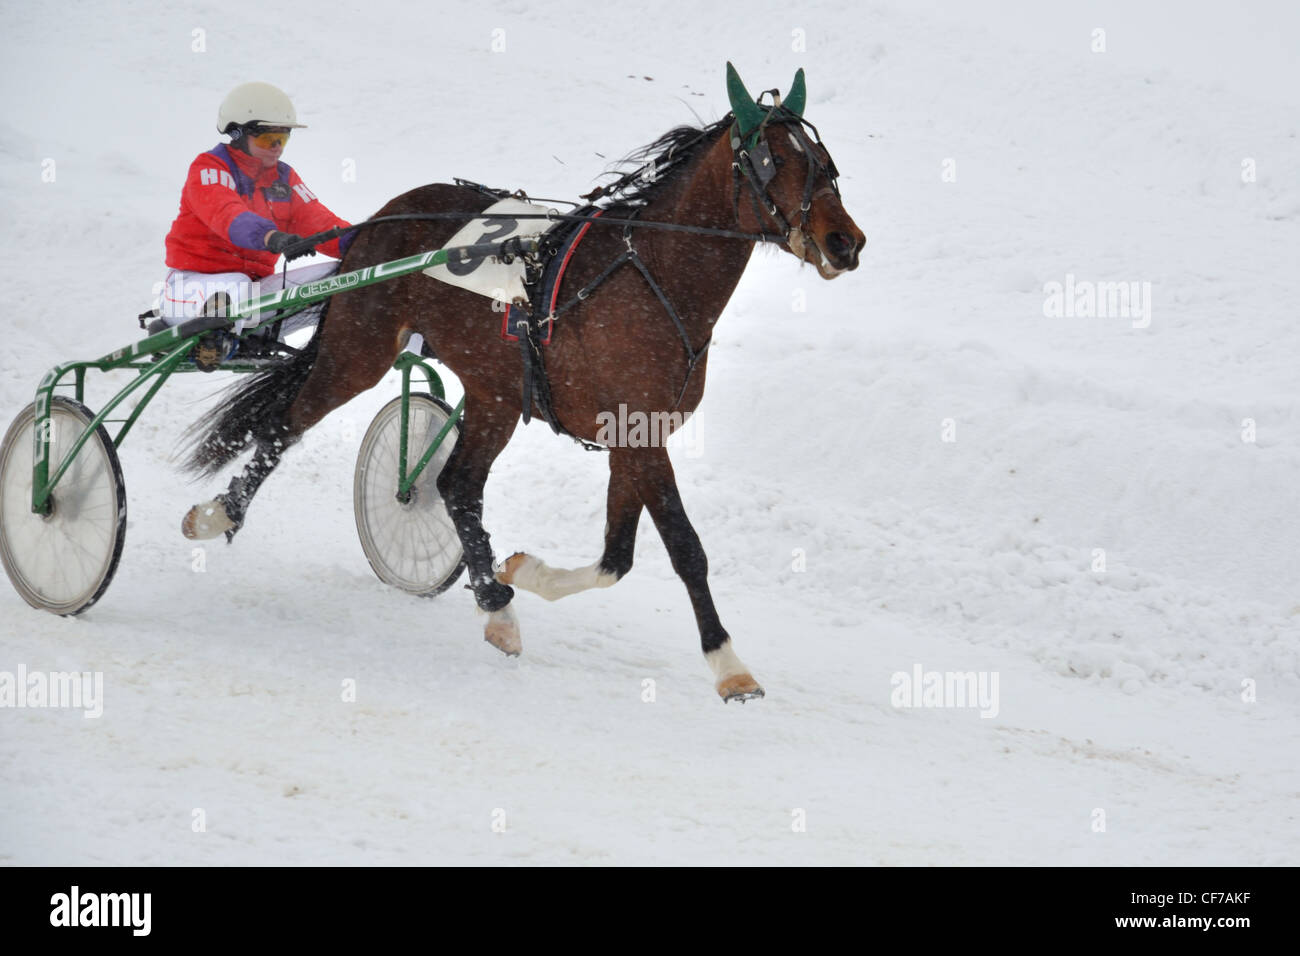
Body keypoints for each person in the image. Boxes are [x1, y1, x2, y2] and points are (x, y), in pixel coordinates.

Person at [157, 81, 355, 367]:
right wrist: (271, 237)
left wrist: (369, 243)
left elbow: (322, 222)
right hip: (190, 291)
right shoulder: (210, 168)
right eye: (267, 140)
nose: (276, 149)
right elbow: (226, 213)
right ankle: (214, 338)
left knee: (345, 275)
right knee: (235, 286)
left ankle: (415, 340)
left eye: (282, 139)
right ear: (238, 134)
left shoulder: (284, 180)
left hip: (254, 299)